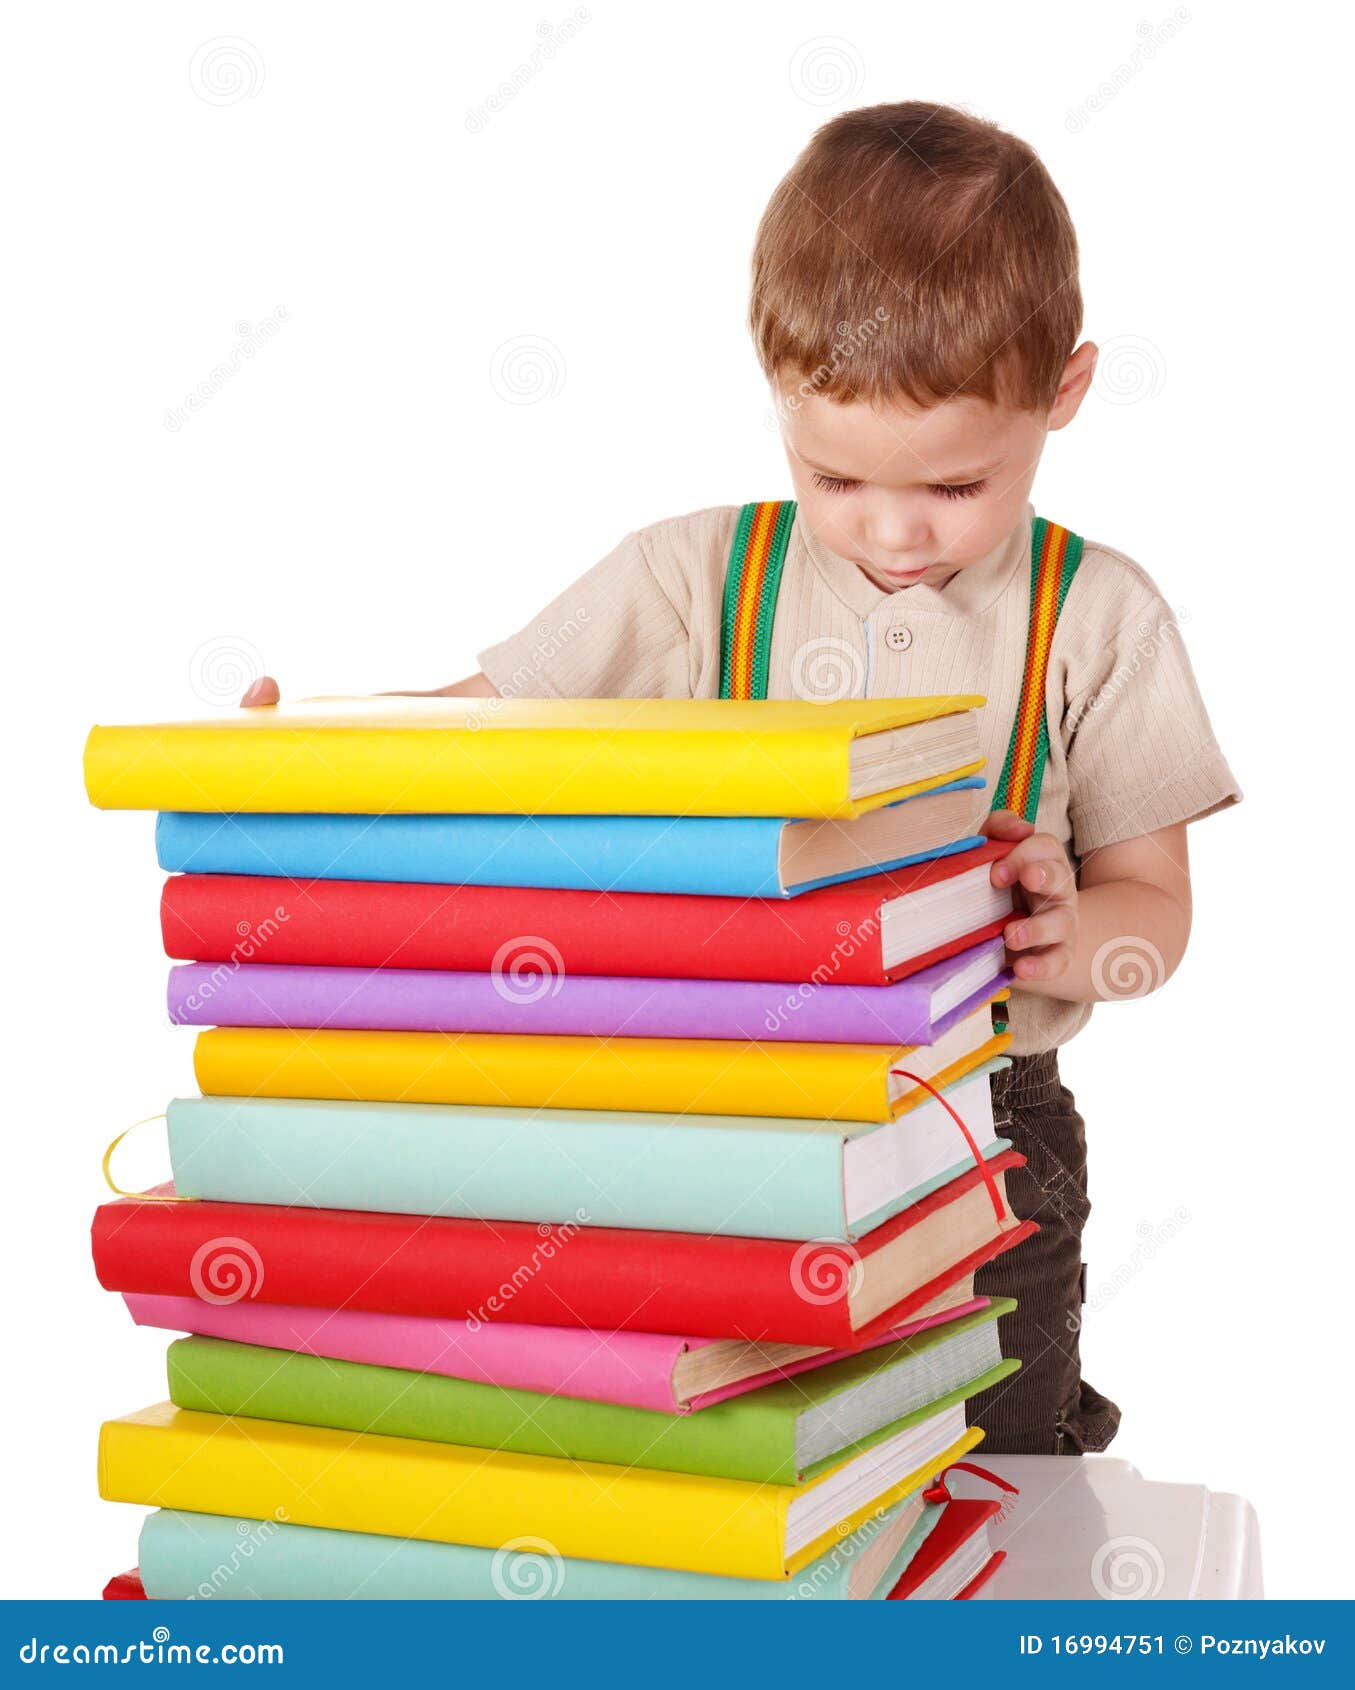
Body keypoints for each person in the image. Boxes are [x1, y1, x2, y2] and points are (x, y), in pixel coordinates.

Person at [244, 101, 1240, 1455]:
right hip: (724, 1126)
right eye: (835, 476)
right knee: (748, 1440)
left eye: (954, 485)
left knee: (996, 1449)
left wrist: (1081, 936)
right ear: (775, 391)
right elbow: (488, 729)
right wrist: (302, 748)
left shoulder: (1099, 614)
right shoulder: (699, 577)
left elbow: (1156, 912)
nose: (892, 532)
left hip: (984, 1128)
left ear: (1062, 391)